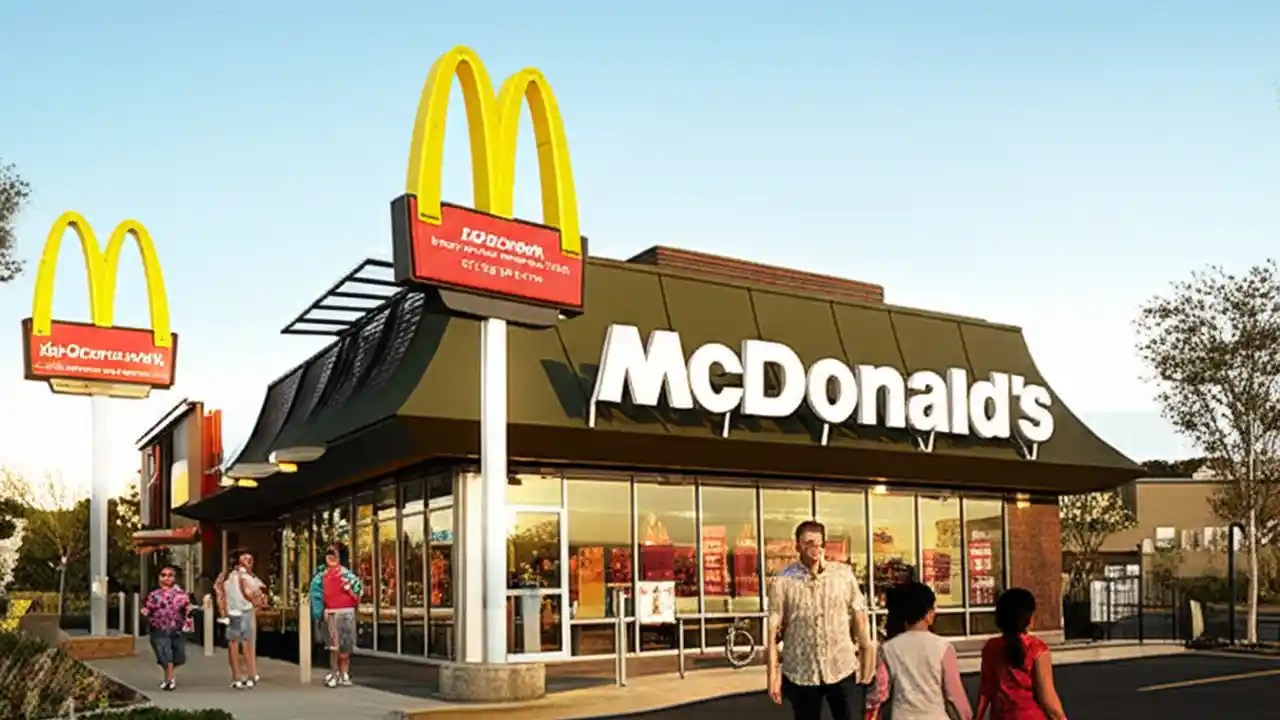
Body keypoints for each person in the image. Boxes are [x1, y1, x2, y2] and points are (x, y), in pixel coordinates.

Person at [767, 520, 876, 720]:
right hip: (802, 671)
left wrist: (867, 656)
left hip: (841, 665)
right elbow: (773, 630)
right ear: (798, 546)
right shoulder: (783, 580)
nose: (815, 549)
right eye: (808, 543)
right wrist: (772, 675)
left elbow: (860, 616)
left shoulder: (843, 575)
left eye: (819, 543)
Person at [864, 581, 971, 719]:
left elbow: (879, 693)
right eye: (933, 608)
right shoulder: (943, 647)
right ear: (927, 613)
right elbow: (955, 695)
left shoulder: (888, 649)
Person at [975, 588, 1067, 720]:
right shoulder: (1037, 649)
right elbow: (1047, 699)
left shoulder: (991, 648)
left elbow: (985, 691)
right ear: (1028, 618)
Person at [309, 544, 363, 689]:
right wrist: (319, 614)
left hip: (347, 612)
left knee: (346, 645)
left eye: (334, 554)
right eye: (329, 554)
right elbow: (315, 596)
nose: (331, 557)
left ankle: (344, 673)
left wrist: (353, 595)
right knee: (334, 646)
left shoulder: (348, 576)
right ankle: (334, 673)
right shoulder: (320, 577)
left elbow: (358, 591)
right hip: (331, 613)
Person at [217, 549, 267, 689]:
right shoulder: (246, 577)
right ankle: (250, 675)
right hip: (245, 611)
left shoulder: (225, 576)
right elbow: (257, 591)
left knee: (233, 645)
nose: (249, 559)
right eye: (245, 557)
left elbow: (218, 591)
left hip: (232, 613)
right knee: (247, 645)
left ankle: (236, 677)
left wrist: (223, 610)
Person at [141, 565, 191, 692]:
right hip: (159, 628)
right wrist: (145, 612)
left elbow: (187, 609)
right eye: (163, 575)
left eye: (170, 575)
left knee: (178, 656)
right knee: (165, 654)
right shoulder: (154, 595)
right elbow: (149, 608)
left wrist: (187, 621)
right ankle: (170, 679)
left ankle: (168, 676)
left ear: (174, 578)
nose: (166, 578)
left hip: (176, 629)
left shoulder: (181, 595)